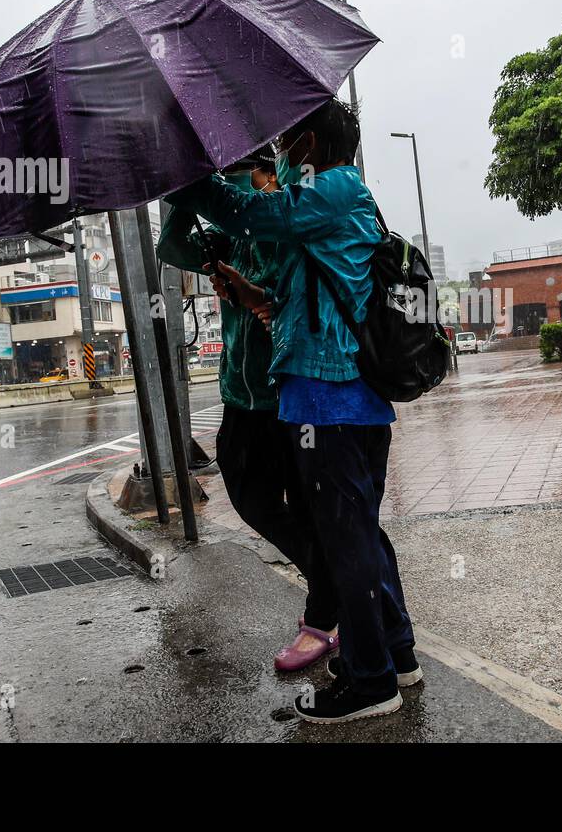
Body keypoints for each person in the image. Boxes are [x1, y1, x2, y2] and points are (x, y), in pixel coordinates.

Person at [166, 99, 419, 725]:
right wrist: (252, 294)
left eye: (283, 142)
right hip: (337, 397)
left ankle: (369, 683)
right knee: (359, 534)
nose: (277, 153)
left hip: (330, 398)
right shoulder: (333, 202)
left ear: (305, 145)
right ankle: (397, 653)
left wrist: (191, 175)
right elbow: (304, 304)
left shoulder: (330, 188)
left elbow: (252, 212)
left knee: (348, 540)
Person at [157, 150, 342, 674]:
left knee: (309, 505)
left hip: (286, 392)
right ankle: (330, 577)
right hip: (240, 398)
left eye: (250, 172)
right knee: (249, 496)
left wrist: (215, 197)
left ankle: (323, 611)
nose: (243, 181)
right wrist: (185, 192)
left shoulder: (279, 221)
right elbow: (171, 245)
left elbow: (279, 293)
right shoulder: (226, 237)